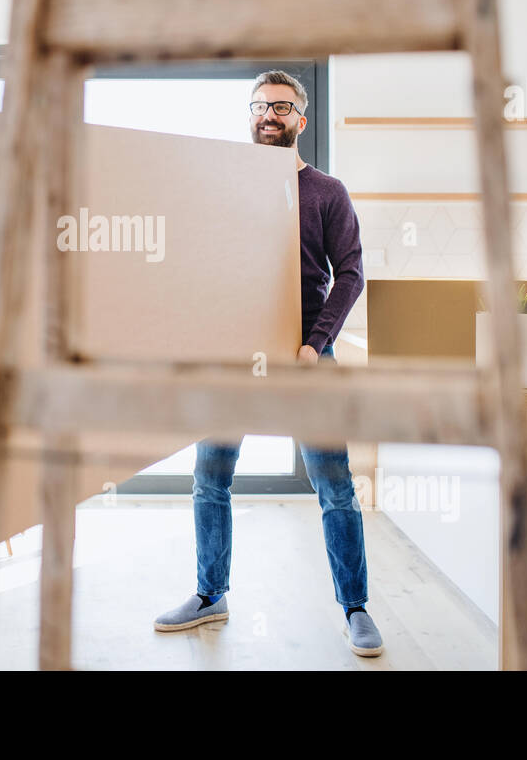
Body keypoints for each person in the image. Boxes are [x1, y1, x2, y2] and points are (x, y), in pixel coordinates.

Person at [153, 70, 382, 657]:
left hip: (307, 352)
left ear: (301, 120)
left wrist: (313, 344)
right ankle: (210, 594)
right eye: (260, 106)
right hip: (235, 355)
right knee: (210, 478)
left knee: (334, 485)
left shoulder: (327, 191)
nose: (269, 115)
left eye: (281, 107)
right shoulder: (227, 189)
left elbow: (350, 275)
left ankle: (355, 607)